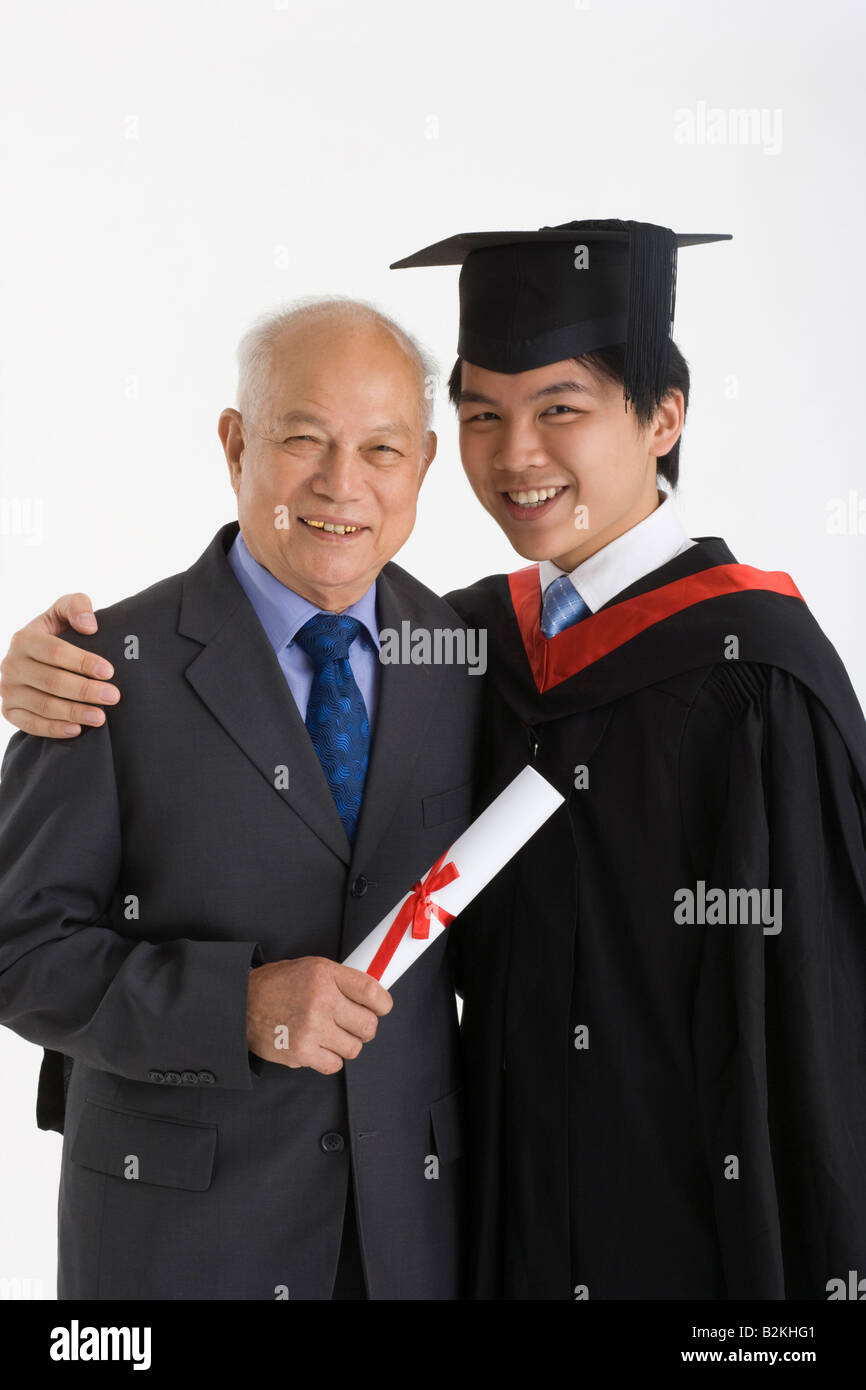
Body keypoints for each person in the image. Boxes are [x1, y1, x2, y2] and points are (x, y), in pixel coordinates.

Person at [8, 220, 866, 1302]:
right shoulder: (467, 646)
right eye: (481, 416)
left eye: (558, 409)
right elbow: (24, 944)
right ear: (235, 445)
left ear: (662, 418)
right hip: (313, 1233)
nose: (514, 456)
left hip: (636, 1206)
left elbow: (805, 1016)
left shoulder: (750, 680)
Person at [0, 298, 482, 1300]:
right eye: (303, 438)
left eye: (381, 449)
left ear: (425, 465)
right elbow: (20, 950)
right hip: (180, 1242)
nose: (341, 485)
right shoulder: (102, 669)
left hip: (409, 1237)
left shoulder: (465, 659)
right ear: (233, 443)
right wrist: (239, 1008)